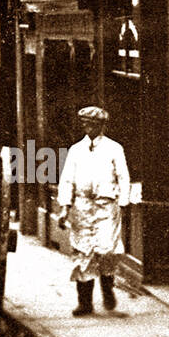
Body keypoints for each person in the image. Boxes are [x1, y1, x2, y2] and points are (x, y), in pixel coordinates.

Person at [57, 106, 131, 317]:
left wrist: (123, 202)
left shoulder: (114, 148)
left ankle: (108, 290)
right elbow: (67, 179)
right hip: (82, 206)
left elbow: (123, 176)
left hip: (106, 205)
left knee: (106, 249)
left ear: (101, 126)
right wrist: (65, 208)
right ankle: (85, 302)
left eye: (92, 124)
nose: (87, 127)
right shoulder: (76, 150)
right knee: (83, 251)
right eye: (84, 123)